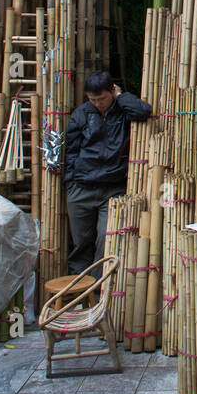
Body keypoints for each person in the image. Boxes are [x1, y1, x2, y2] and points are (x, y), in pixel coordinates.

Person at [64, 71, 152, 275]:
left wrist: (121, 97)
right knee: (80, 243)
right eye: (92, 99)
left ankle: (97, 292)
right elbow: (70, 152)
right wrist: (70, 184)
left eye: (102, 98)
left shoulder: (123, 111)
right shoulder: (82, 114)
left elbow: (143, 111)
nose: (97, 103)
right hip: (81, 188)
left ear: (112, 90)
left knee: (106, 240)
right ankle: (79, 293)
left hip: (112, 189)